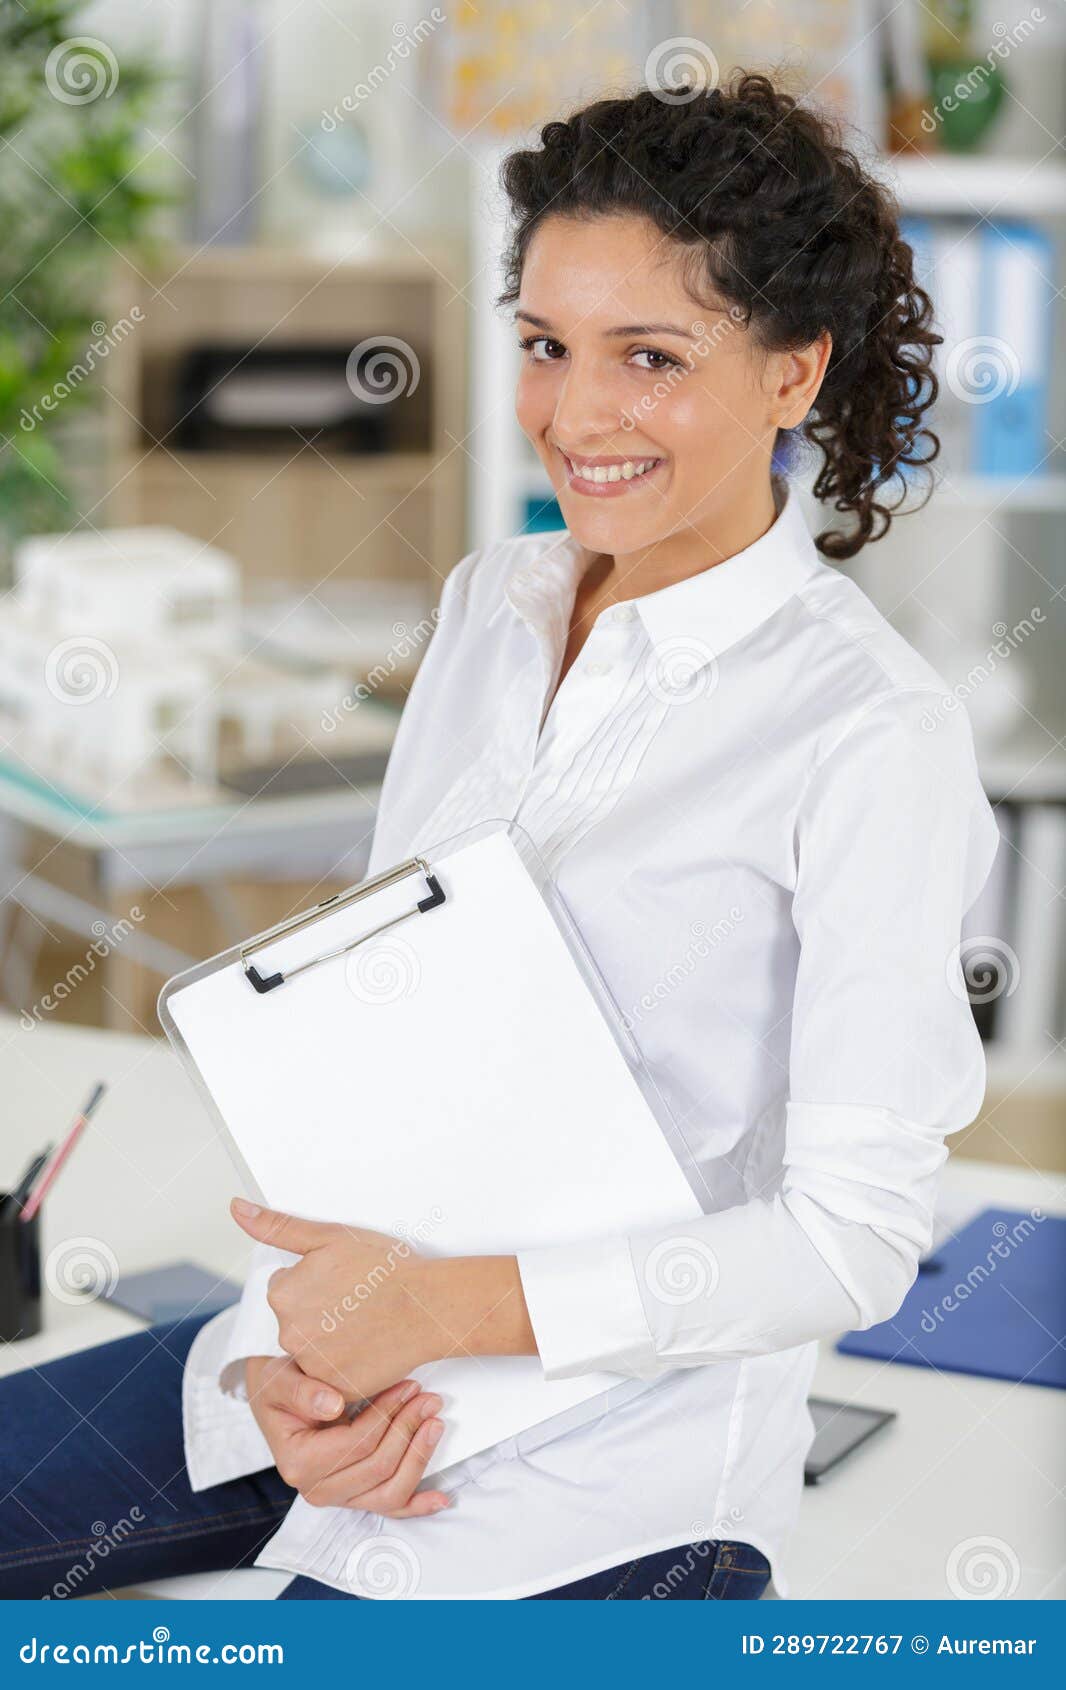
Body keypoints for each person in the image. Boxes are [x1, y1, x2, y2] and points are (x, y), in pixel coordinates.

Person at [0, 72, 999, 1601]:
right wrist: (288, 1361)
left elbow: (849, 1240)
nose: (572, 415)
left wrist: (440, 1310)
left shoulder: (868, 732)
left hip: (605, 1475)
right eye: (544, 345)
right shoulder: (492, 604)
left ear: (794, 373)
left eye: (649, 357)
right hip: (332, 1351)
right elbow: (383, 1030)